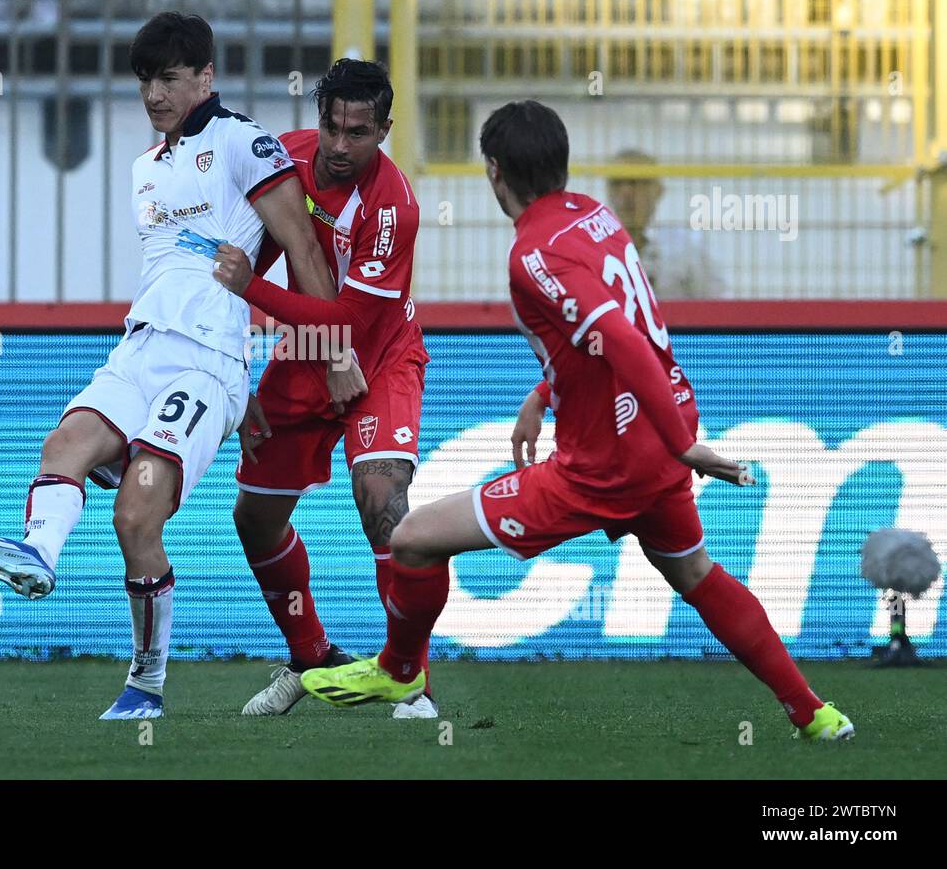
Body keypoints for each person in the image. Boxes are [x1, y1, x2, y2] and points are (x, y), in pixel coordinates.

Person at [300, 100, 855, 742]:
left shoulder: (531, 256)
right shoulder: (594, 214)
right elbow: (602, 330)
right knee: (696, 572)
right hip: (653, 431)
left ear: (494, 173)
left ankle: (400, 671)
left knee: (414, 541)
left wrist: (687, 448)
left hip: (606, 467)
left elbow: (619, 337)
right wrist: (546, 394)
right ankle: (812, 712)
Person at [0, 12, 354, 720]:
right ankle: (39, 553)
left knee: (136, 514)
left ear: (206, 76)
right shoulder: (147, 166)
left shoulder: (243, 143)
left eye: (169, 77)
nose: (155, 93)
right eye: (144, 80)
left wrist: (334, 352)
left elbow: (306, 255)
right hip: (140, 348)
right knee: (63, 445)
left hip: (206, 362)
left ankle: (145, 682)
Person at [212, 58, 437, 718]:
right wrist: (236, 372)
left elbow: (347, 324)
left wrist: (251, 290)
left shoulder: (394, 208)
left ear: (385, 130)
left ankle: (409, 678)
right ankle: (310, 655)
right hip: (305, 354)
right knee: (253, 518)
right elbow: (246, 256)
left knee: (384, 503)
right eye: (332, 127)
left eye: (359, 132)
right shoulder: (286, 159)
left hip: (380, 357)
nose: (341, 146)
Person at [608, 149, 725, 298]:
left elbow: (717, 303)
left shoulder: (686, 249)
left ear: (658, 190)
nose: (626, 192)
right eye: (616, 183)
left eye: (635, 182)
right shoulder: (593, 248)